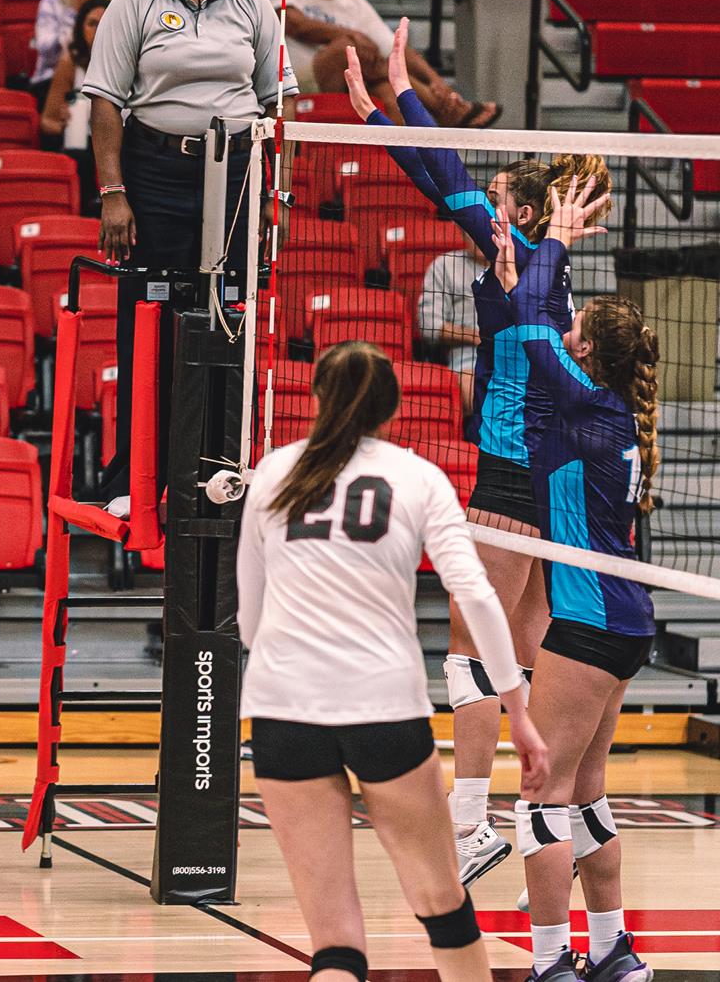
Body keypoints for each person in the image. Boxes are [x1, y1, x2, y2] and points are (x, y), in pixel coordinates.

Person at [344, 24, 613, 886]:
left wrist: (402, 88)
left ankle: (466, 824)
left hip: (509, 469)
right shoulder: (537, 260)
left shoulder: (521, 255)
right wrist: (374, 115)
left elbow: (448, 174)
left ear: (523, 213)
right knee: (520, 654)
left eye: (498, 197)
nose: (484, 205)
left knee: (469, 648)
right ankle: (543, 819)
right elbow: (436, 178)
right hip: (543, 472)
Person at [240, 341, 546, 982]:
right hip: (381, 705)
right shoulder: (417, 477)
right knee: (444, 908)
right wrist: (518, 711)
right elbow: (478, 598)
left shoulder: (272, 473)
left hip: (282, 708)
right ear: (394, 411)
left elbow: (249, 616)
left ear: (316, 400)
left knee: (335, 948)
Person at [82, 0, 298, 503]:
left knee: (229, 321)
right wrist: (113, 192)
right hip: (155, 172)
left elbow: (277, 106)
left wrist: (273, 196)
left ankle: (219, 468)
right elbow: (105, 102)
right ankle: (137, 474)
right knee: (149, 320)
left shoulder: (254, 5)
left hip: (234, 175)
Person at [496, 184, 659, 982]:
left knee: (541, 795)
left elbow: (533, 320)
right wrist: (526, 270)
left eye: (578, 326)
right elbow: (531, 315)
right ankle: (614, 949)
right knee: (586, 793)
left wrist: (555, 236)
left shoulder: (588, 407)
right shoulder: (610, 413)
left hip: (590, 620)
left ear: (586, 350)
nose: (566, 329)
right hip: (625, 623)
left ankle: (553, 962)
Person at [265, 0, 496, 128]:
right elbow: (296, 25)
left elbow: (395, 48)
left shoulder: (353, 2)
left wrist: (437, 81)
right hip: (299, 78)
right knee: (348, 48)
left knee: (390, 92)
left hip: (355, 80)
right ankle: (443, 109)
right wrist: (353, 35)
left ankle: (401, 159)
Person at [31, 0, 117, 92]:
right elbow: (49, 54)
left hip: (98, 80)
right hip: (52, 80)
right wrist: (74, 12)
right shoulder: (52, 2)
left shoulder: (112, 5)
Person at [418, 243, 484, 418]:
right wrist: (475, 336)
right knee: (478, 397)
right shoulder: (445, 265)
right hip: (469, 354)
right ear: (463, 232)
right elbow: (429, 325)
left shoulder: (520, 264)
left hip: (518, 350)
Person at [39, 0, 110, 150]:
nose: (98, 30)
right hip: (83, 147)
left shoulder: (131, 62)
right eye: (92, 24)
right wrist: (65, 125)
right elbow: (47, 122)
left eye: (104, 23)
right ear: (80, 29)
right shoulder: (70, 63)